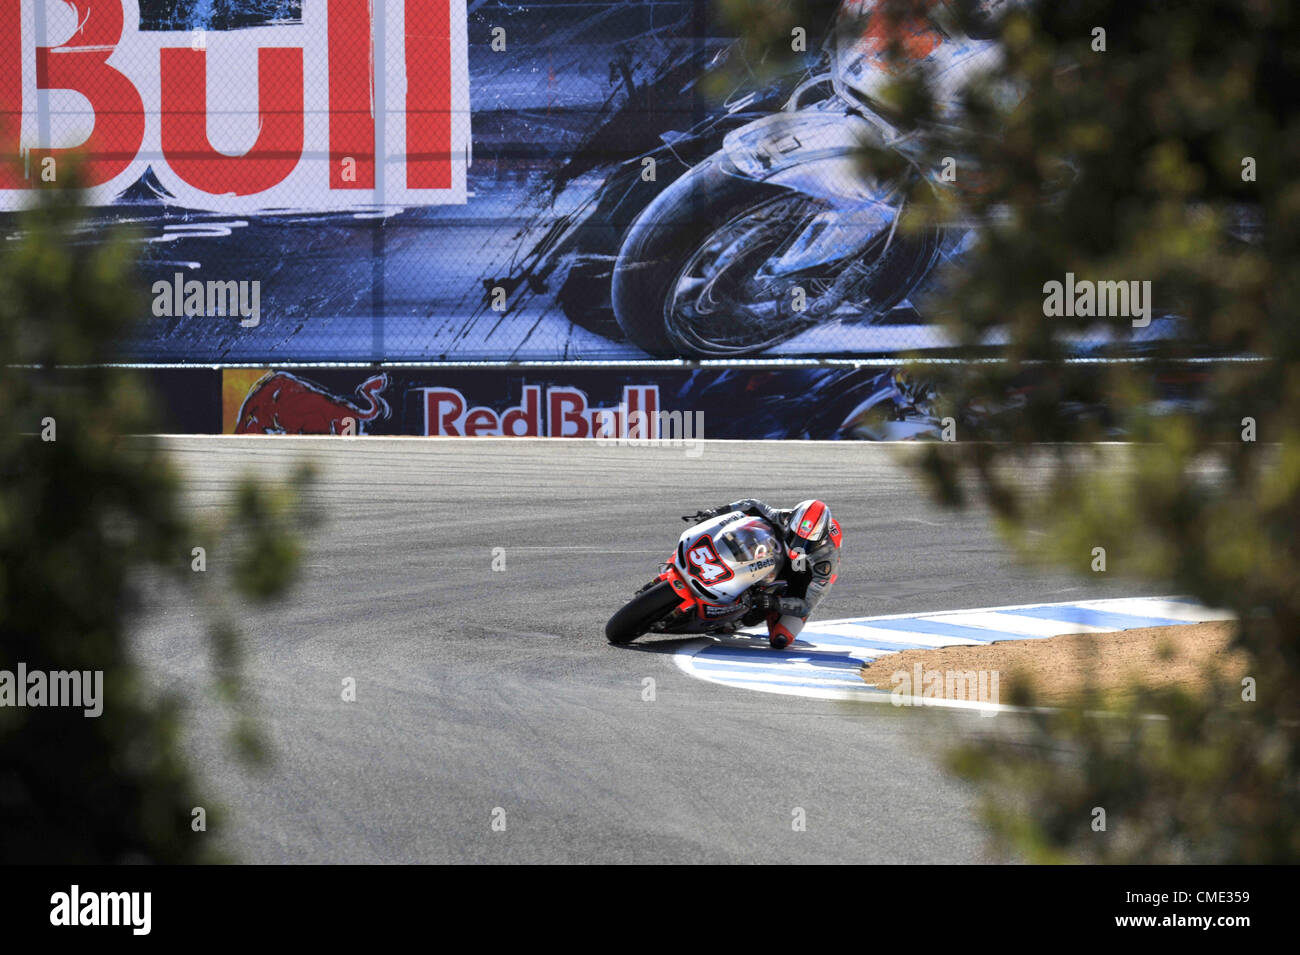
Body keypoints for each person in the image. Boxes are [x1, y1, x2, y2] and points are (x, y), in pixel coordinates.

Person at [682, 499, 841, 649]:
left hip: (802, 574)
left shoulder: (826, 560)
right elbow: (751, 505)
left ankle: (770, 609)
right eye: (795, 536)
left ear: (820, 540)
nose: (798, 545)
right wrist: (715, 513)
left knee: (780, 639)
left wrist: (774, 603)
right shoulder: (784, 517)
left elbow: (807, 605)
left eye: (807, 542)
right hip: (776, 552)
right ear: (790, 521)